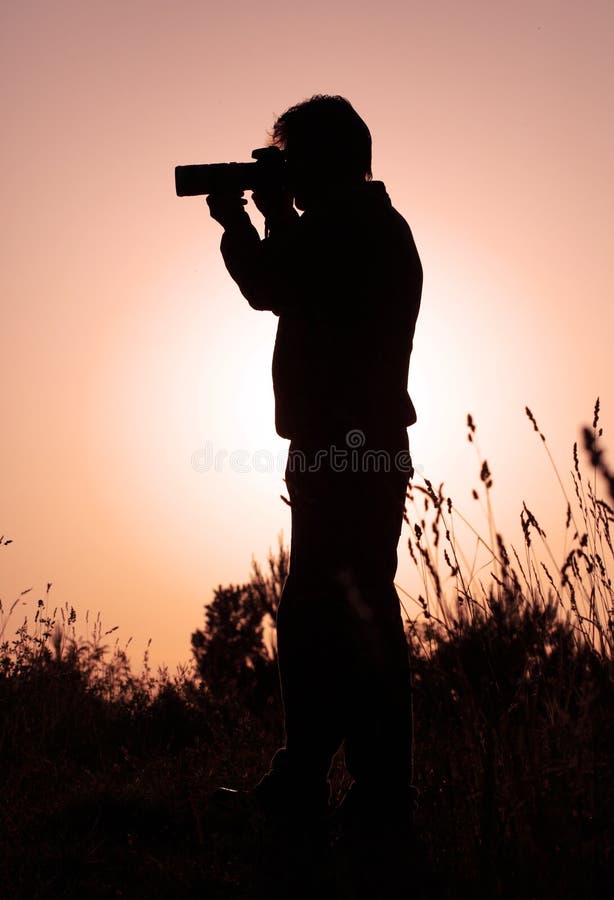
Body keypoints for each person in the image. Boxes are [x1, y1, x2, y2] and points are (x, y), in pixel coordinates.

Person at [206, 95, 422, 841]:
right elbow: (287, 280)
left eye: (295, 160)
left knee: (343, 618)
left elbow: (281, 286)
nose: (287, 176)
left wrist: (255, 218)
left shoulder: (362, 229)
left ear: (325, 160)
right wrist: (260, 218)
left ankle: (361, 791)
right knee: (329, 618)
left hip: (351, 451)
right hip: (343, 449)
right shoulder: (355, 226)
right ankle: (327, 783)